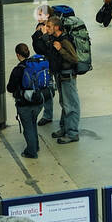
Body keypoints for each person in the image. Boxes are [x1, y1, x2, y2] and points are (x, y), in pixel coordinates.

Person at [36, 14, 80, 144]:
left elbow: (74, 59)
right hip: (60, 74)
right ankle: (65, 128)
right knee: (64, 102)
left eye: (49, 26)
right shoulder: (54, 38)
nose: (47, 28)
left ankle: (72, 133)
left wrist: (61, 50)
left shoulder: (64, 41)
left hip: (67, 76)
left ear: (56, 27)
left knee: (70, 104)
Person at [6, 43, 42, 159]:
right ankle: (36, 146)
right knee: (33, 123)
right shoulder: (36, 64)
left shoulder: (17, 70)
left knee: (28, 128)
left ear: (17, 54)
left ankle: (31, 151)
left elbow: (10, 88)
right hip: (38, 101)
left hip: (24, 104)